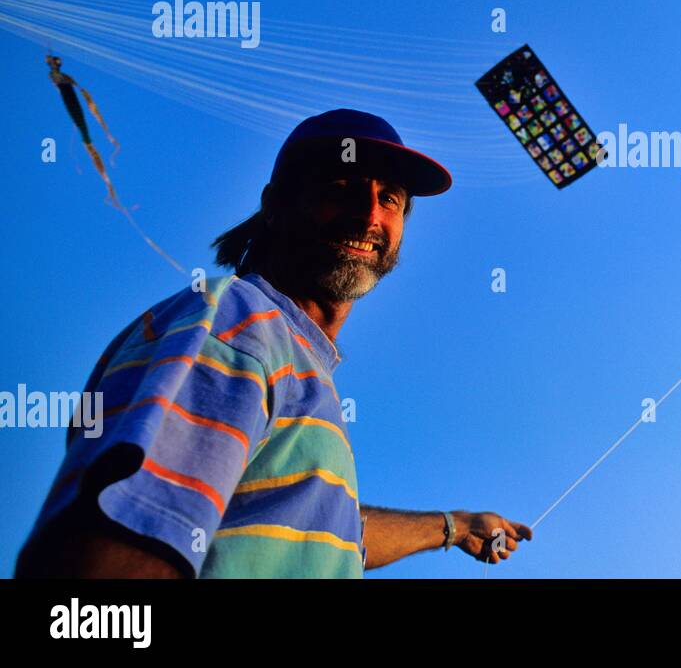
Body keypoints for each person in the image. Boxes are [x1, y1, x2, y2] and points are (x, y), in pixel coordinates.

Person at [16, 109, 531, 578]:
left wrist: (454, 526)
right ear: (275, 205)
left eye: (389, 198)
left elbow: (327, 531)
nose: (369, 215)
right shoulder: (239, 325)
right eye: (342, 187)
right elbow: (120, 550)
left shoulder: (298, 366)